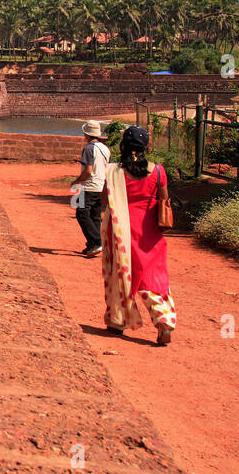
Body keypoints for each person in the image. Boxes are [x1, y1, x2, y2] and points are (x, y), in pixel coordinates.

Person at [101, 126, 177, 346]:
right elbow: (164, 199)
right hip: (149, 233)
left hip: (121, 232)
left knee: (120, 274)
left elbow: (105, 200)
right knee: (153, 276)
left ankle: (118, 320)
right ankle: (164, 321)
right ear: (146, 147)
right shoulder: (159, 171)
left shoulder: (113, 171)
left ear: (123, 145)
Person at [72, 120, 110, 257]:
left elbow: (88, 170)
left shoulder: (88, 149)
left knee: (81, 213)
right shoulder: (105, 149)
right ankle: (93, 244)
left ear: (86, 134)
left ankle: (96, 241)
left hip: (87, 187)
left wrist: (77, 181)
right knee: (95, 216)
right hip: (100, 186)